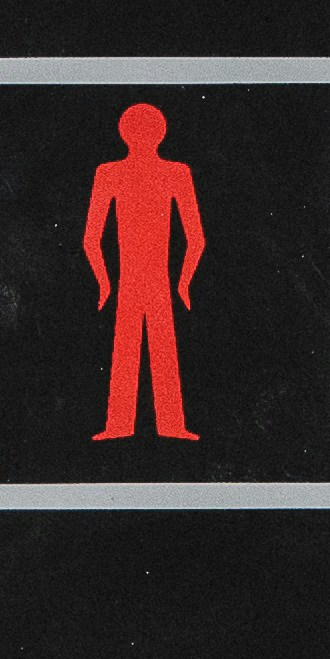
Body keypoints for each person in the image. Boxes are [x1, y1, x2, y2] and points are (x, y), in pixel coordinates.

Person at [76, 101, 203, 442]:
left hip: (130, 280)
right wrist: (183, 282)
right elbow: (197, 240)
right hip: (156, 280)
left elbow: (91, 240)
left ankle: (123, 425)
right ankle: (168, 425)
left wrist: (105, 282)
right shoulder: (175, 173)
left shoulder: (111, 173)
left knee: (127, 348)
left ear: (124, 133)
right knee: (160, 346)